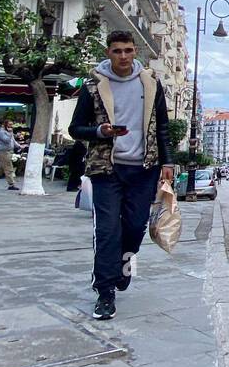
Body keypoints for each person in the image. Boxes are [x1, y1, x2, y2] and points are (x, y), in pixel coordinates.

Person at [70, 31, 175, 322]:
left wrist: (168, 161)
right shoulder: (92, 86)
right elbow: (75, 129)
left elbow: (163, 127)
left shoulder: (151, 84)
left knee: (134, 228)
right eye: (117, 51)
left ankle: (125, 266)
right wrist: (99, 131)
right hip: (106, 168)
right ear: (109, 53)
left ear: (135, 51)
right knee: (106, 231)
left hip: (144, 169)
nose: (124, 56)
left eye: (128, 50)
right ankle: (105, 293)